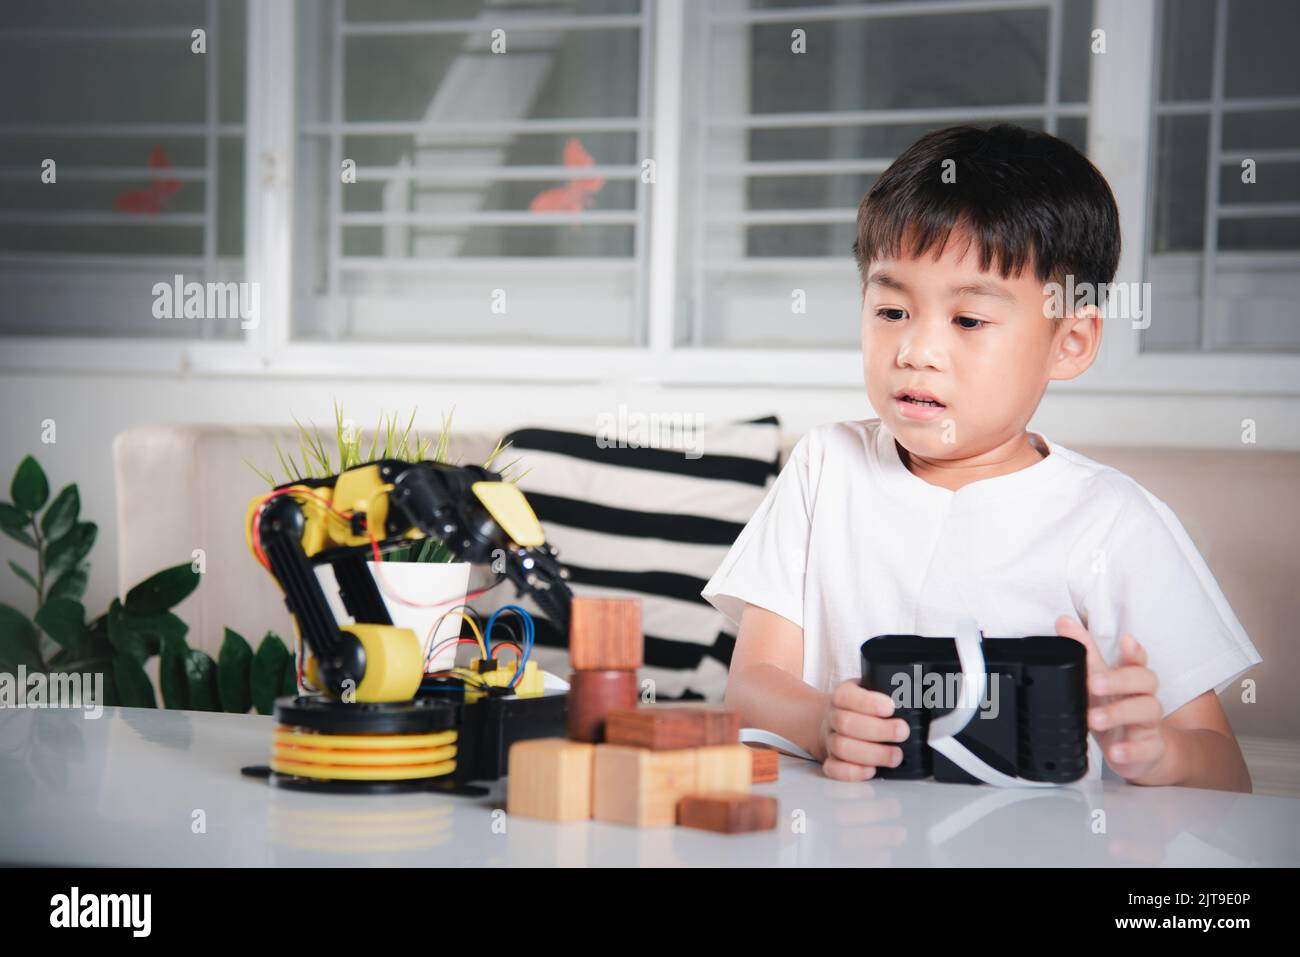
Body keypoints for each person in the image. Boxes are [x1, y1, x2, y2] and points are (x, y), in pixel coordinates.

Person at [703, 124, 1261, 792]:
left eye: (968, 321)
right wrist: (823, 719)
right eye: (890, 309)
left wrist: (1156, 752)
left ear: (1071, 341)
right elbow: (751, 686)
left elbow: (1227, 771)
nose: (916, 349)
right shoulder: (826, 466)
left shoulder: (1114, 520)